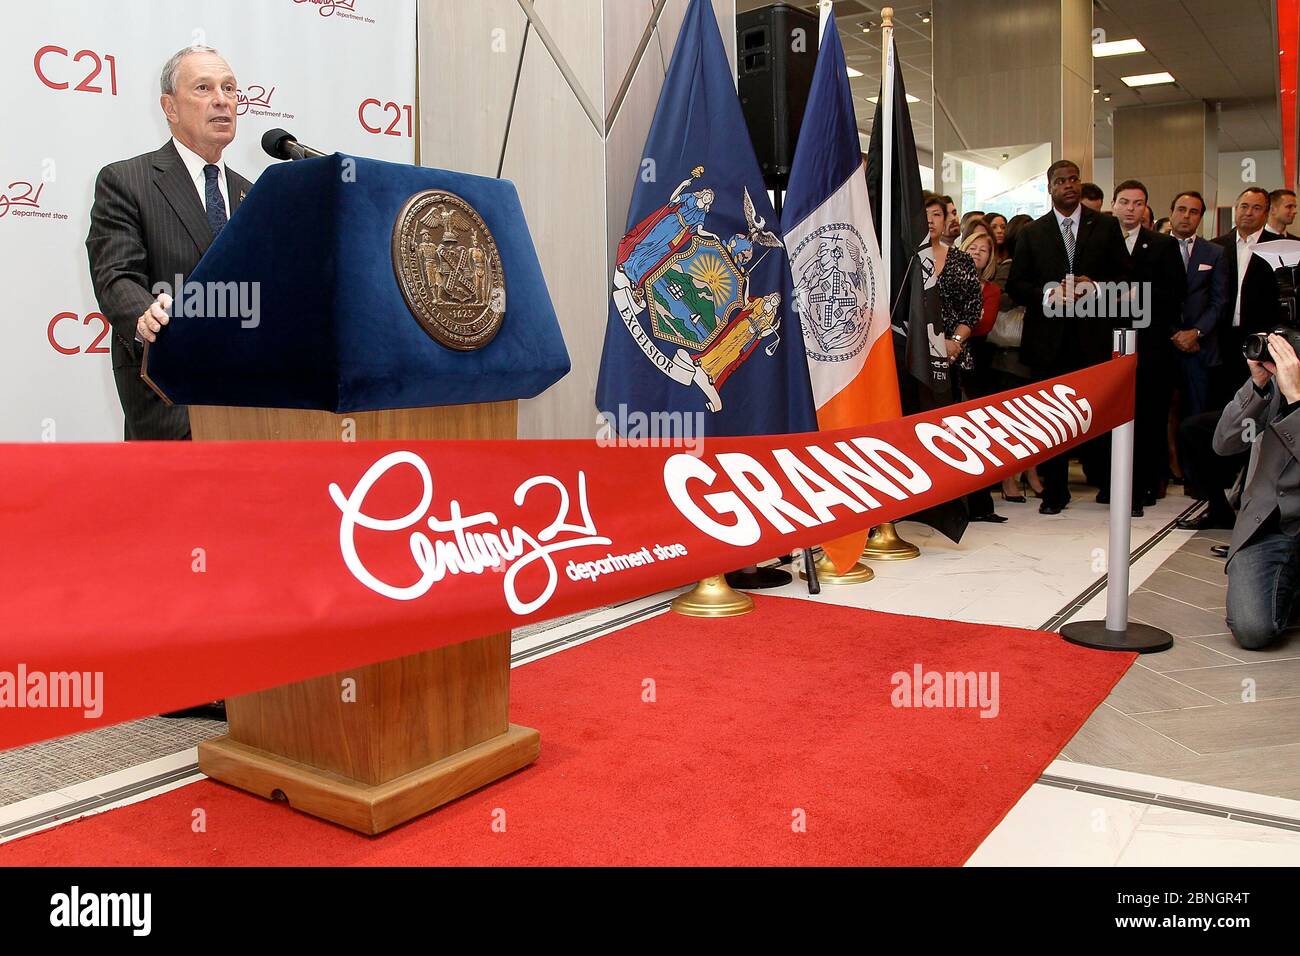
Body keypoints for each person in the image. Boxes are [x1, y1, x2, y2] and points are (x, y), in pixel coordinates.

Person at [87, 45, 252, 442]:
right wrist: (148, 315)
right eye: (203, 88)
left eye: (230, 89)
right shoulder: (127, 180)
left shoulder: (254, 194)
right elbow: (116, 276)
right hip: (168, 401)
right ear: (170, 107)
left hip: (253, 408)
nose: (222, 101)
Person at [1006, 159, 1129, 514]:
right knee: (1052, 417)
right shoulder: (1033, 232)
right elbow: (1016, 285)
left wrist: (1097, 286)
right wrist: (1048, 294)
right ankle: (1055, 491)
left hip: (1093, 337)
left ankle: (1110, 486)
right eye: (1061, 181)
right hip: (1049, 342)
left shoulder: (1105, 227)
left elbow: (1125, 277)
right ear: (1050, 188)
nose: (1069, 185)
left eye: (1074, 179)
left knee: (1100, 412)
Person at [1177, 188, 1284, 535]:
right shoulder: (1217, 246)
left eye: (1256, 208)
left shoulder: (1281, 248)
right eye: (1243, 206)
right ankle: (1218, 501)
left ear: (1266, 213)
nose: (1248, 213)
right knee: (1220, 424)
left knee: (1258, 427)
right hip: (1220, 348)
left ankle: (1253, 503)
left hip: (1264, 350)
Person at [1094, 180, 1186, 517]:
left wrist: (1136, 296)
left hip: (1150, 345)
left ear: (1145, 207)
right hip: (1106, 342)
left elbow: (1176, 292)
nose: (1131, 208)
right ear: (1114, 205)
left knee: (1147, 416)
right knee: (1108, 414)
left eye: (1138, 203)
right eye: (1124, 202)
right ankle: (1109, 483)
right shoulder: (1097, 242)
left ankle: (1145, 485)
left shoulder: (1162, 245)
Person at [1213, 333, 1300, 649]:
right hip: (1269, 526)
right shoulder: (1276, 385)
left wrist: (1297, 400)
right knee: (1252, 629)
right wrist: (1259, 385)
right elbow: (1224, 443)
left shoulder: (1293, 389)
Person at [987, 215, 1044, 501]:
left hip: (1033, 352)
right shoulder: (1006, 269)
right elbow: (998, 301)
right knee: (1011, 421)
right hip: (1010, 355)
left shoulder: (1037, 268)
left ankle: (1030, 471)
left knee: (1031, 420)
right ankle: (1010, 478)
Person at [1167, 190, 1228, 418]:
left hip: (1200, 348)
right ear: (1171, 213)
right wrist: (1175, 334)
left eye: (1194, 212)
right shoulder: (1154, 248)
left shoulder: (1214, 252)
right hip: (1164, 345)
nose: (1186, 216)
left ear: (1200, 217)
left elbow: (1219, 300)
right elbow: (1149, 298)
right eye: (1181, 210)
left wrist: (1196, 332)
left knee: (1197, 415)